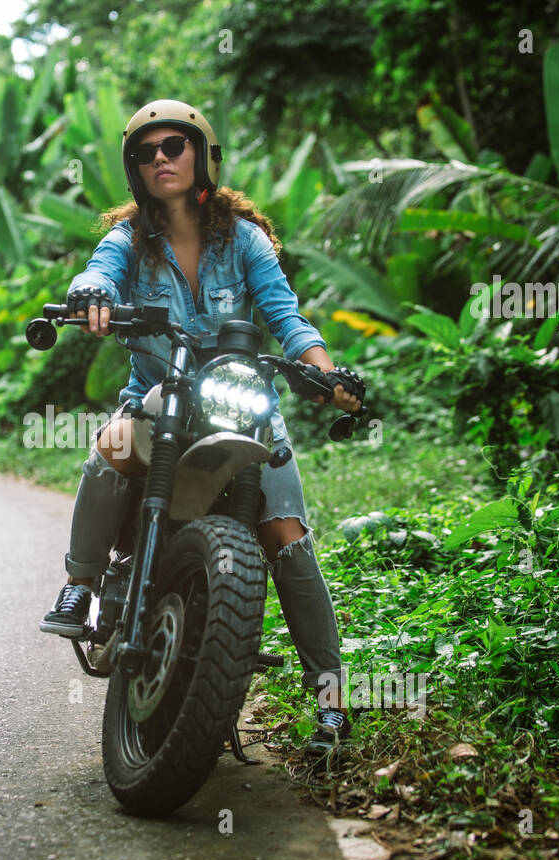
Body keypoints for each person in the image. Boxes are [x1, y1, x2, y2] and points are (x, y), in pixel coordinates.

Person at [37, 98, 363, 754]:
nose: (162, 158)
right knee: (112, 447)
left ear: (201, 153)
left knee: (288, 538)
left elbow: (287, 316)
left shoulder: (243, 237)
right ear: (135, 168)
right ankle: (79, 586)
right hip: (162, 400)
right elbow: (97, 271)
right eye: (147, 151)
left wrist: (327, 373)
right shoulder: (128, 239)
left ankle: (330, 697)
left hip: (240, 403)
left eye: (174, 146)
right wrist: (93, 297)